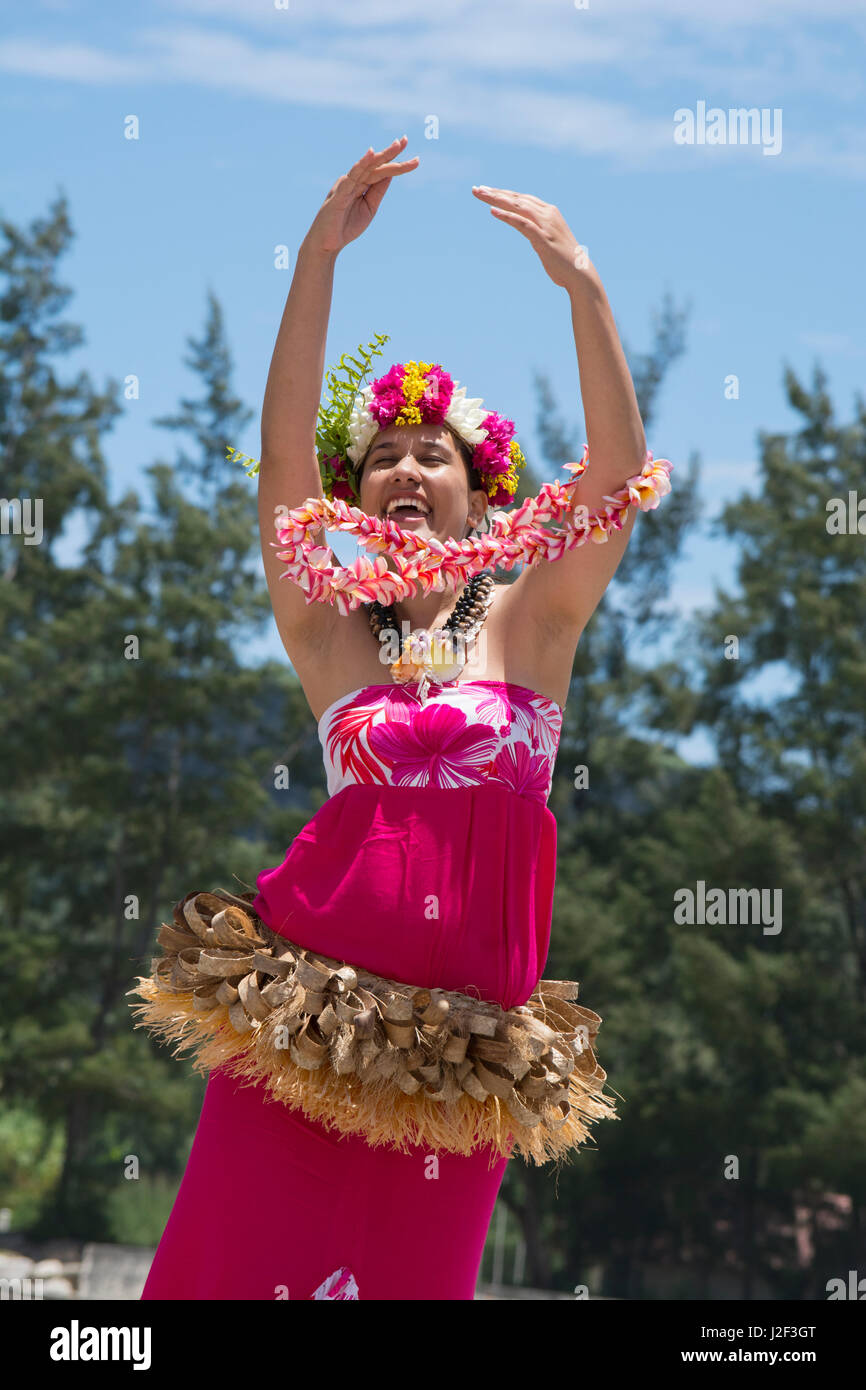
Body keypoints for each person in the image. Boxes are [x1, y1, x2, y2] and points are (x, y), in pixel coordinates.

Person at [130, 137, 673, 1301]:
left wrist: (582, 285)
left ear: (486, 493)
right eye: (382, 456)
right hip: (300, 1039)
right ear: (357, 492)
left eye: (434, 452)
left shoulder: (533, 626)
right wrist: (316, 258)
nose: (407, 469)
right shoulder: (331, 635)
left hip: (462, 1052)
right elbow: (279, 471)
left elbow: (620, 477)